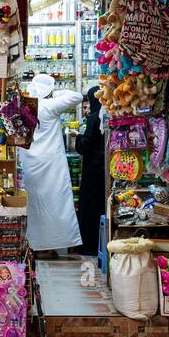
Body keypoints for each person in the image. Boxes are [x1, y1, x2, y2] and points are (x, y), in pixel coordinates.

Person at [22, 72, 83, 254]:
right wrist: (52, 94)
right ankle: (56, 244)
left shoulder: (27, 108)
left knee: (34, 206)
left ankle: (35, 246)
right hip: (51, 164)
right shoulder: (49, 105)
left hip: (30, 163)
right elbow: (77, 96)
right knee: (57, 203)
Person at [75, 85, 106, 256]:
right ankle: (101, 244)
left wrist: (77, 137)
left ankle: (89, 245)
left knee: (89, 208)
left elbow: (85, 146)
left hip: (92, 170)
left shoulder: (94, 118)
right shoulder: (105, 116)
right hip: (103, 169)